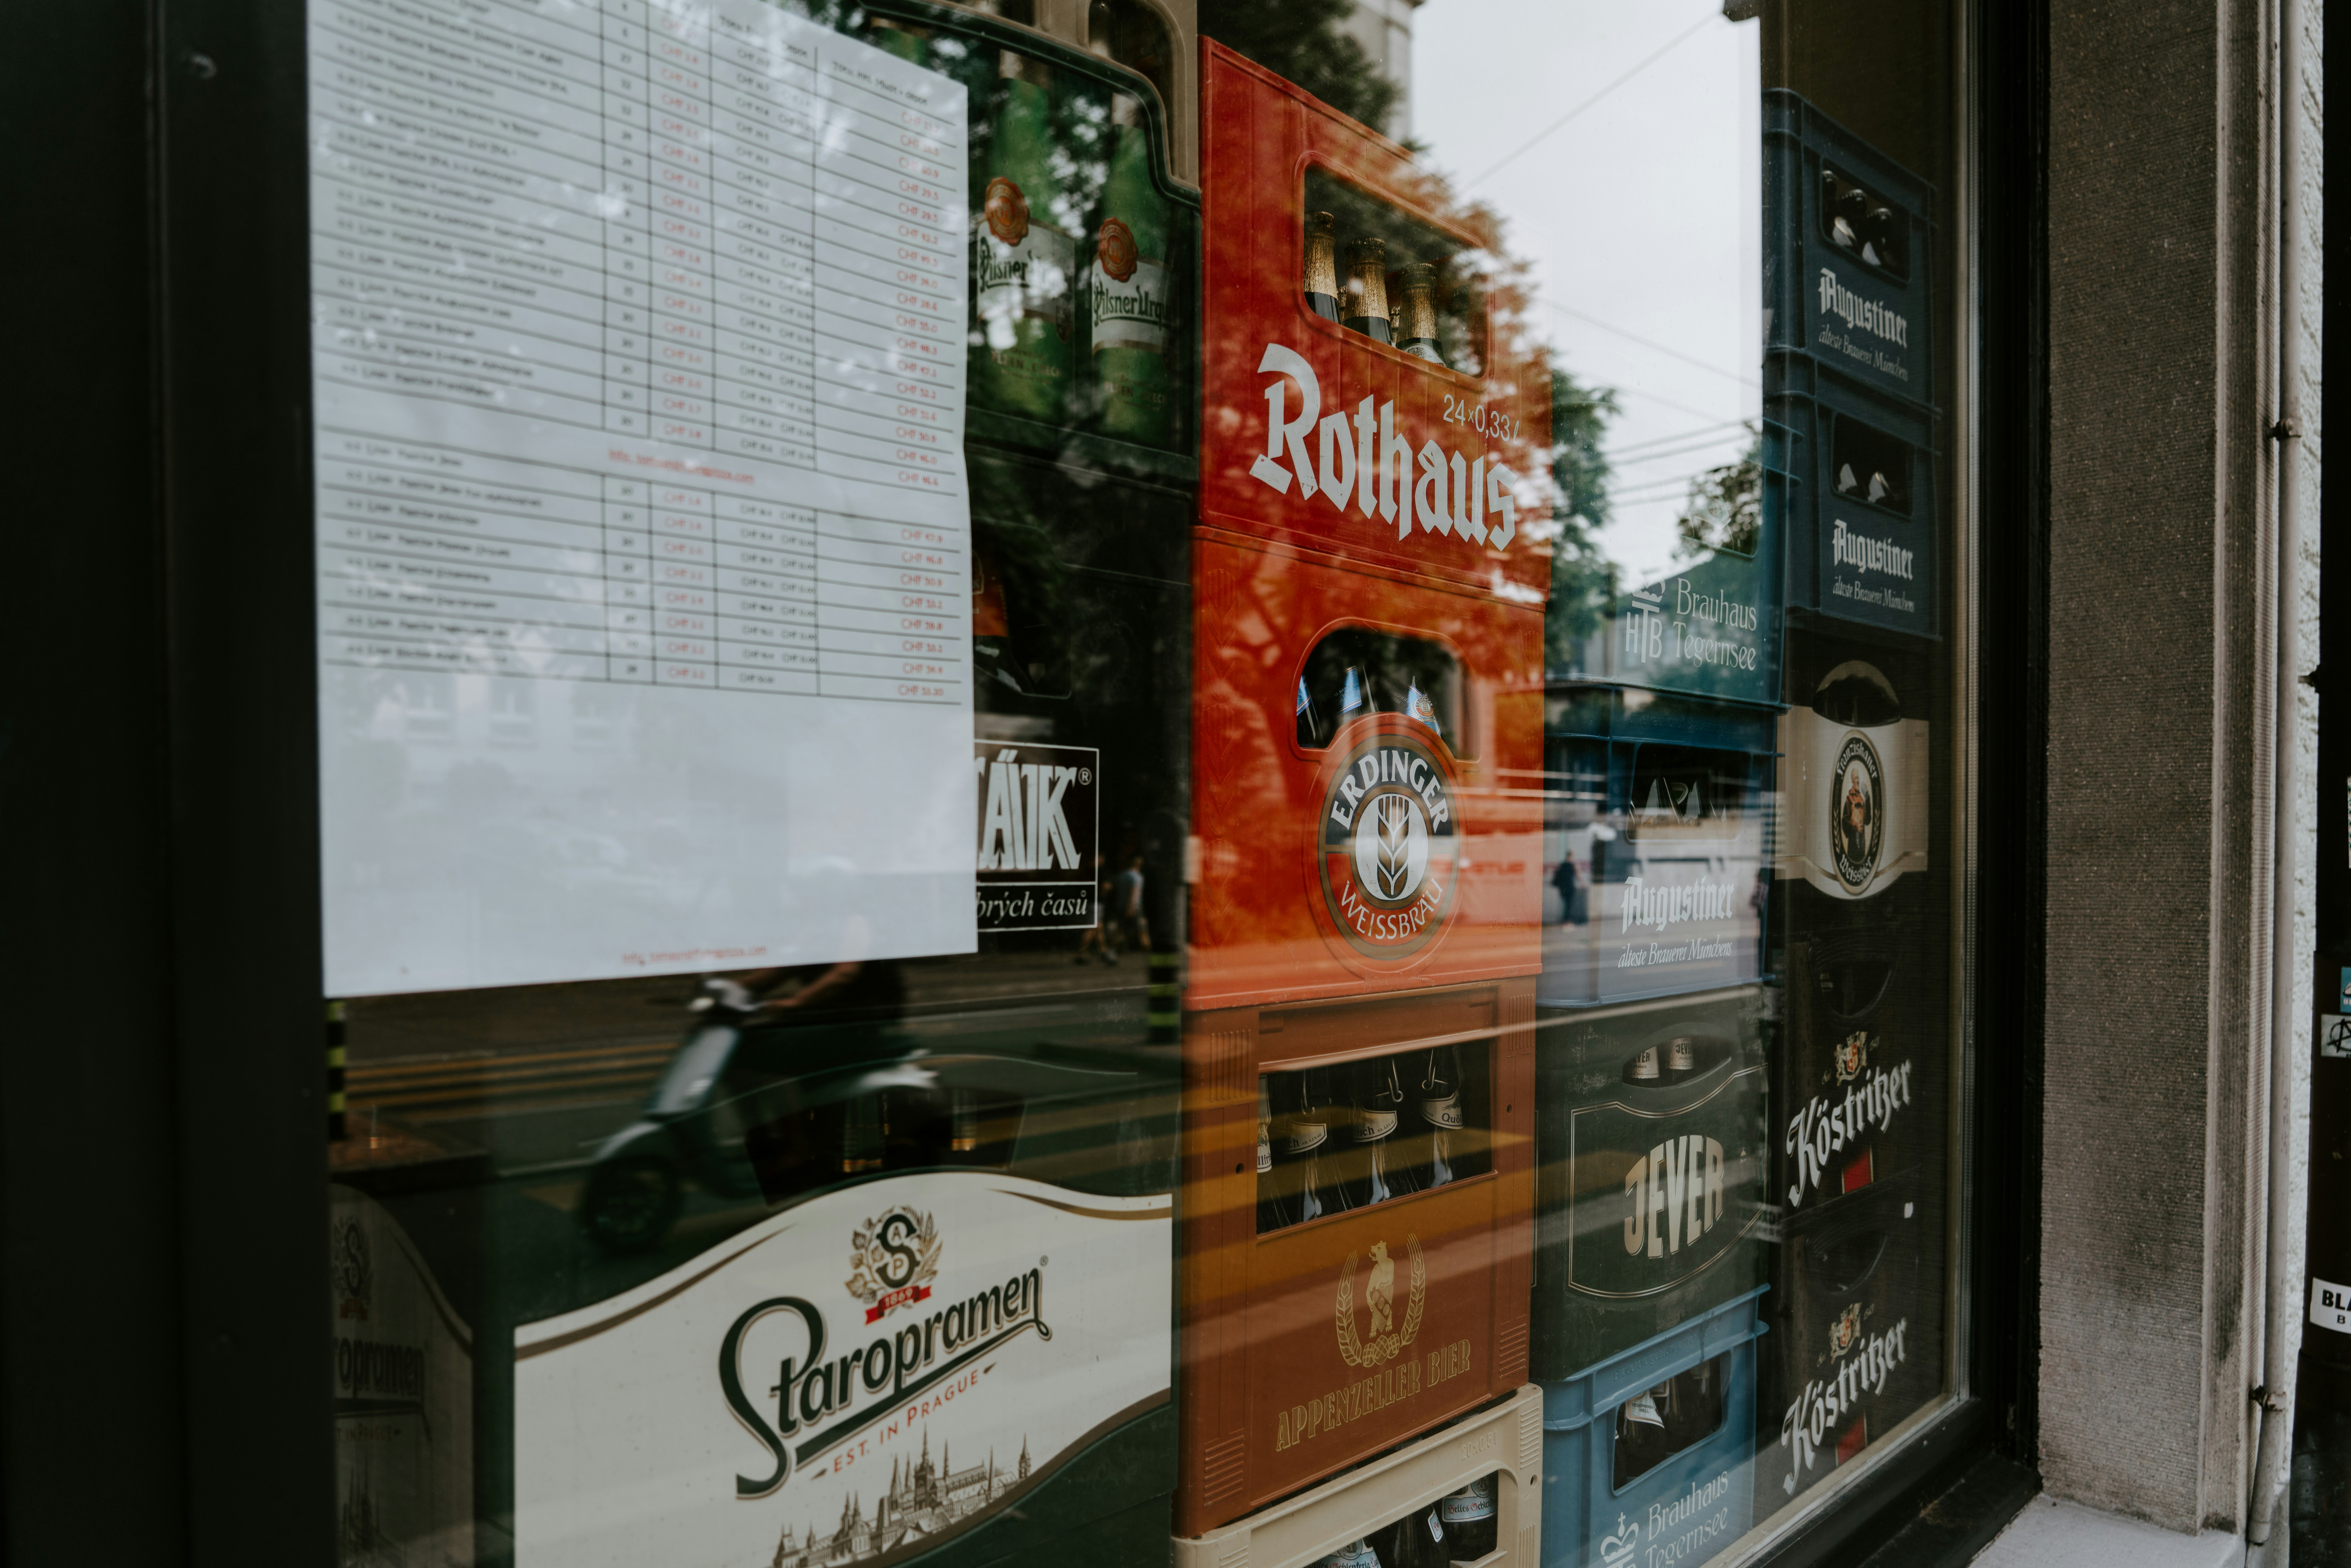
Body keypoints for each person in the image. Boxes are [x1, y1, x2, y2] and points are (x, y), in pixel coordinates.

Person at [1108, 853, 1147, 961]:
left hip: (1121, 906)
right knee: (1142, 932)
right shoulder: (1137, 877)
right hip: (1134, 908)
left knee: (1120, 930)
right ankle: (1149, 955)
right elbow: (1134, 893)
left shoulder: (1122, 875)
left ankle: (1111, 951)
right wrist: (1131, 908)